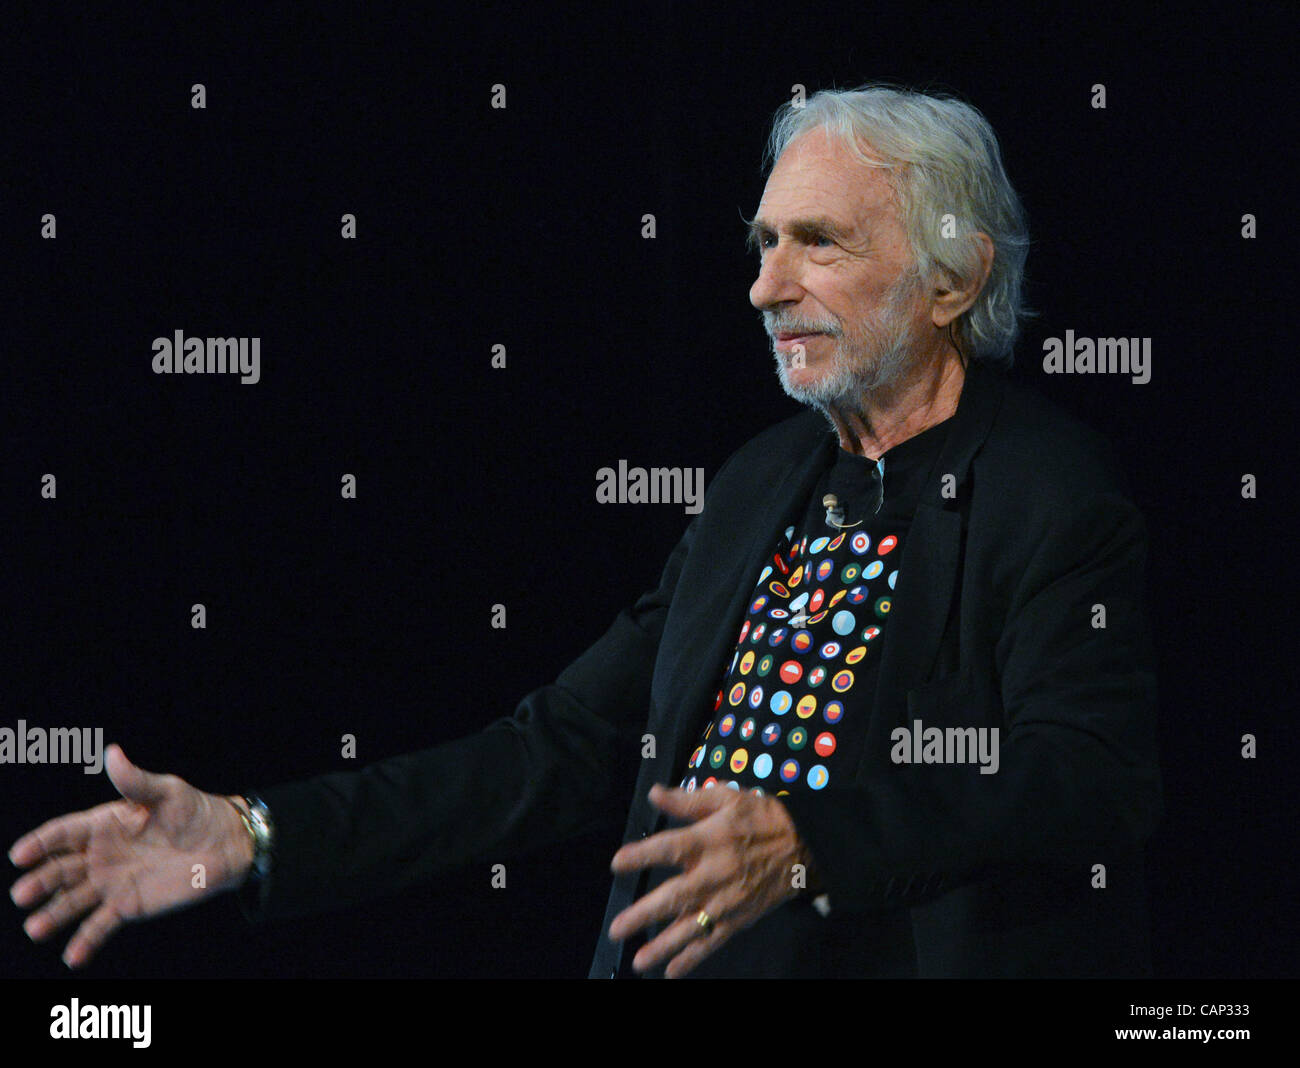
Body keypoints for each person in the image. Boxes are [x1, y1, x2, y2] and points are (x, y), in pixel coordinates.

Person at [9, 83, 1162, 979]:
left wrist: (809, 838)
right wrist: (256, 834)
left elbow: (1086, 776)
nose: (765, 286)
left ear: (954, 277)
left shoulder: (1049, 493)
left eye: (818, 241)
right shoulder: (761, 484)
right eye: (761, 242)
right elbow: (553, 748)